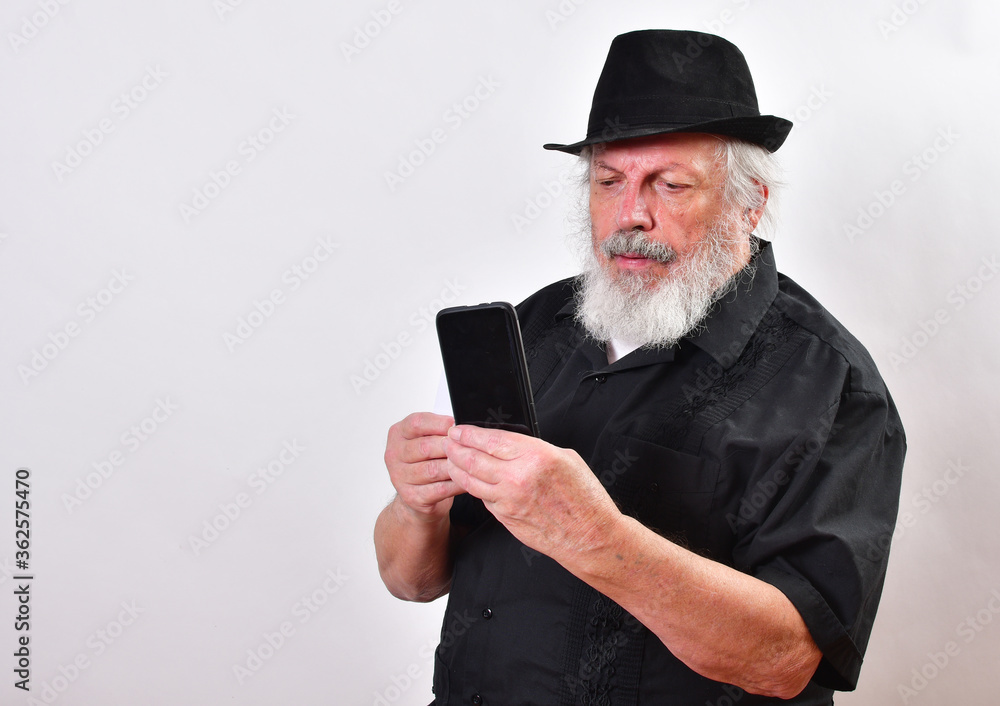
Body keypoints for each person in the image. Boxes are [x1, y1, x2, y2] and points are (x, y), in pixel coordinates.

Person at [374, 29, 905, 705]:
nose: (631, 215)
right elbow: (410, 580)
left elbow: (784, 660)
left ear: (750, 203)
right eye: (609, 181)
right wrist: (416, 505)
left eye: (671, 184)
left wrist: (596, 537)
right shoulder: (533, 327)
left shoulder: (833, 387)